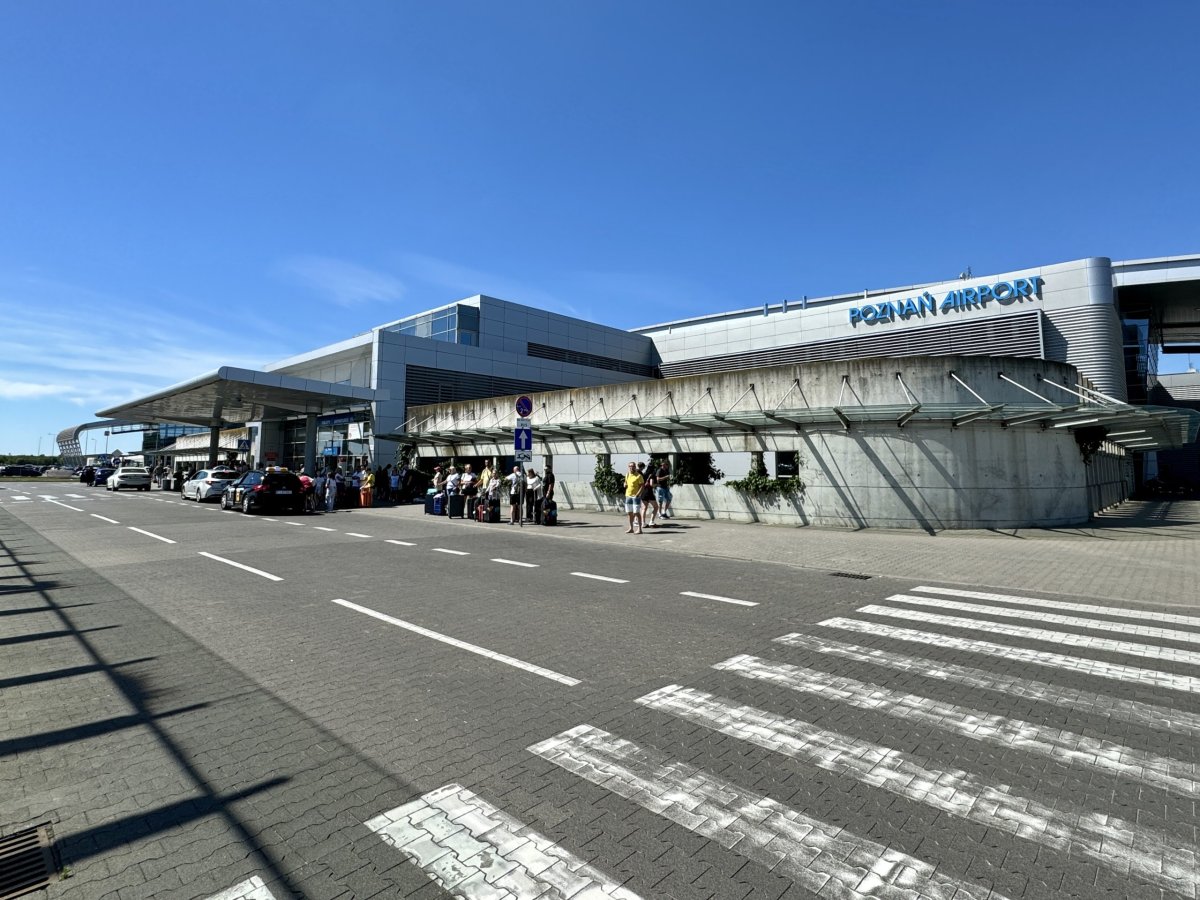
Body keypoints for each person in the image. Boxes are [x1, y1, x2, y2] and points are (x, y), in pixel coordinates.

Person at [623, 460, 644, 534]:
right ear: (628, 467)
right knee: (630, 513)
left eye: (633, 466)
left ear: (635, 467)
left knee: (636, 513)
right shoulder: (627, 474)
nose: (631, 467)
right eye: (630, 466)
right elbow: (625, 482)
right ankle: (631, 528)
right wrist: (624, 484)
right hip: (628, 496)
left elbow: (642, 486)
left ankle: (640, 529)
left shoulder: (639, 476)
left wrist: (637, 494)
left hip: (635, 497)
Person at [638, 461, 659, 528]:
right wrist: (657, 484)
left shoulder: (644, 474)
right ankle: (651, 522)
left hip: (643, 492)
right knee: (656, 507)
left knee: (644, 508)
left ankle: (643, 523)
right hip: (649, 493)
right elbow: (651, 484)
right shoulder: (652, 475)